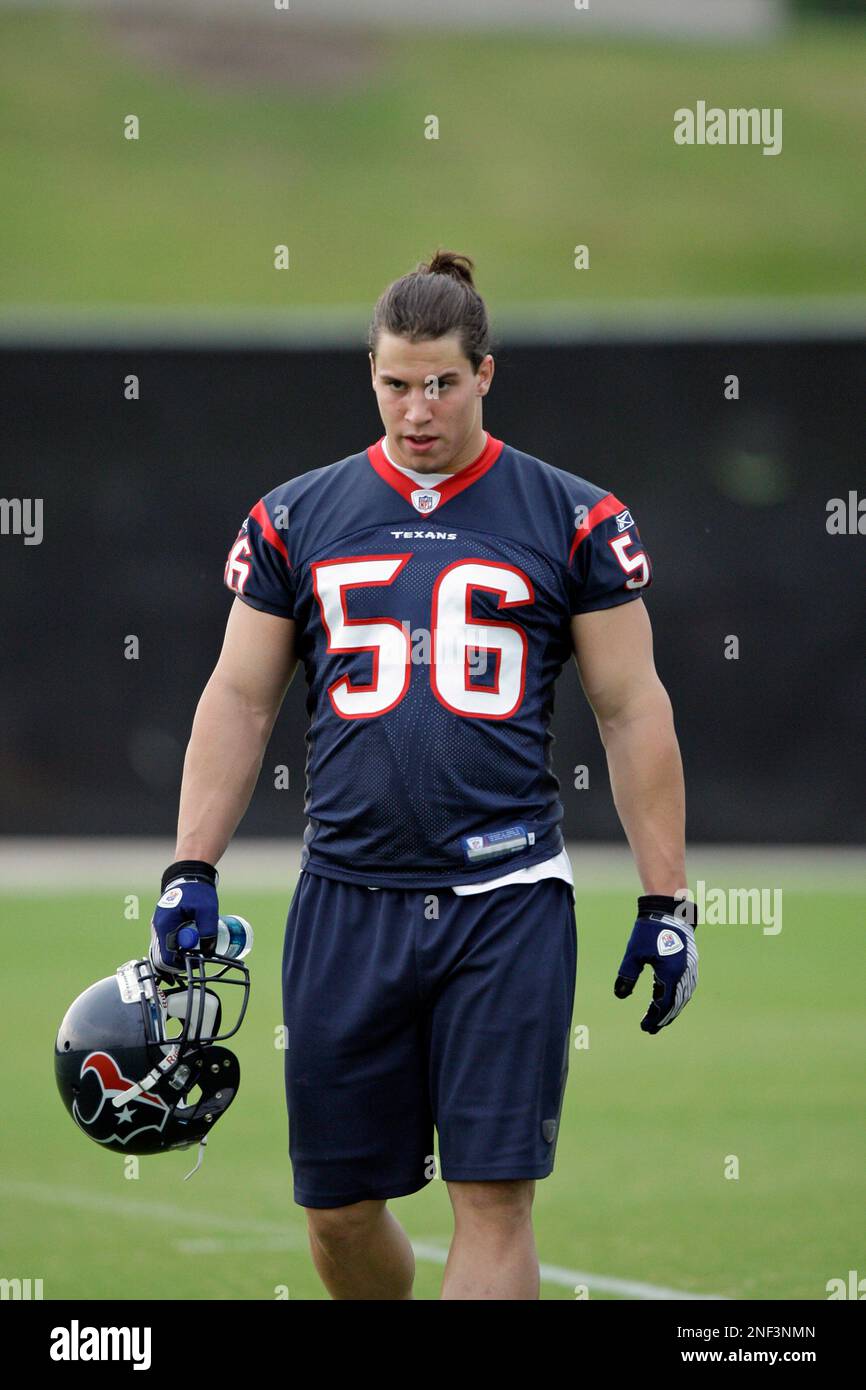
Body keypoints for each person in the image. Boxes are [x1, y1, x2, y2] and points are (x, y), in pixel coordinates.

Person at [149, 250, 697, 1300]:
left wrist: (666, 899)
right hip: (347, 892)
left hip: (505, 898)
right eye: (396, 383)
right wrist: (189, 868)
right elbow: (240, 698)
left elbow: (632, 709)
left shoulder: (571, 516)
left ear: (484, 372)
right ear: (371, 374)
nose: (417, 410)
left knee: (493, 1200)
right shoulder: (296, 516)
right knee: (338, 1211)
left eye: (441, 382)